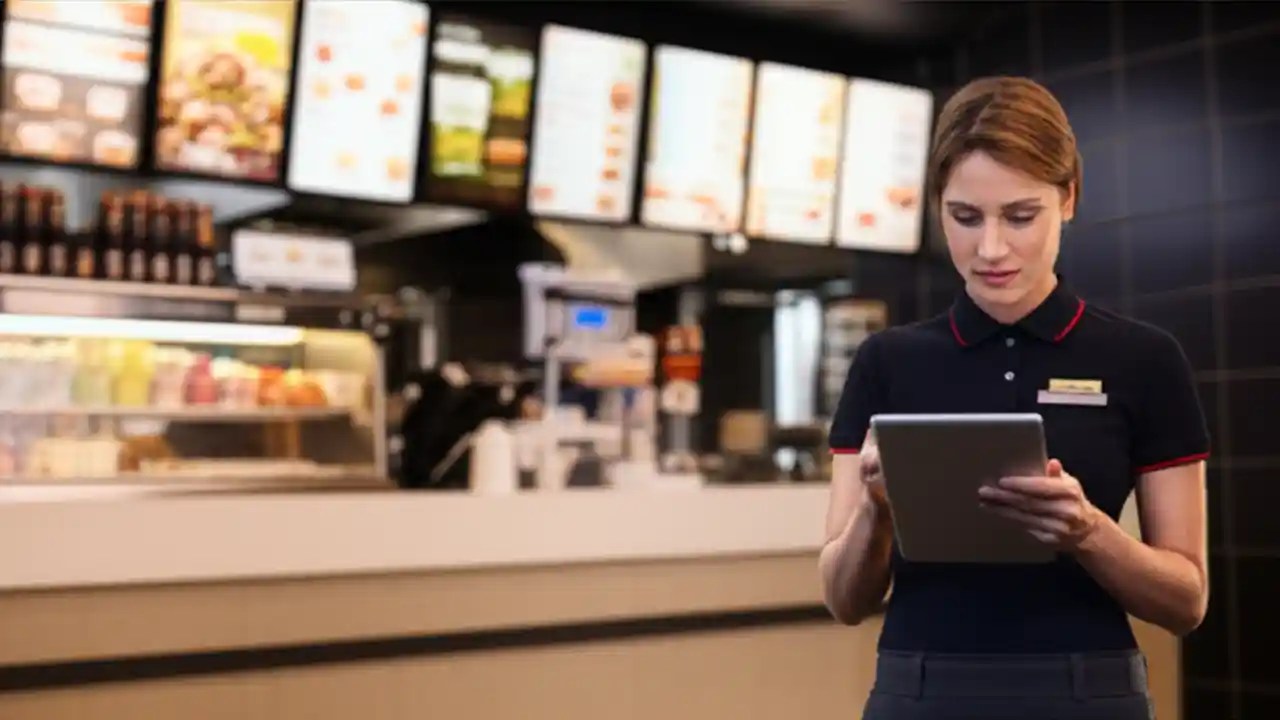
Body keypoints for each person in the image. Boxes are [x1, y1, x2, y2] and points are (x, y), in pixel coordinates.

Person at [820, 76, 1209, 720]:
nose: (991, 248)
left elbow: (1187, 601)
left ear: (1069, 198)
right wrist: (876, 511)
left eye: (1020, 216)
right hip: (918, 691)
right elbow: (843, 601)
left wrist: (1088, 533)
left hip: (1088, 691)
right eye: (965, 217)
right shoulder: (887, 362)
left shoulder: (1144, 359)